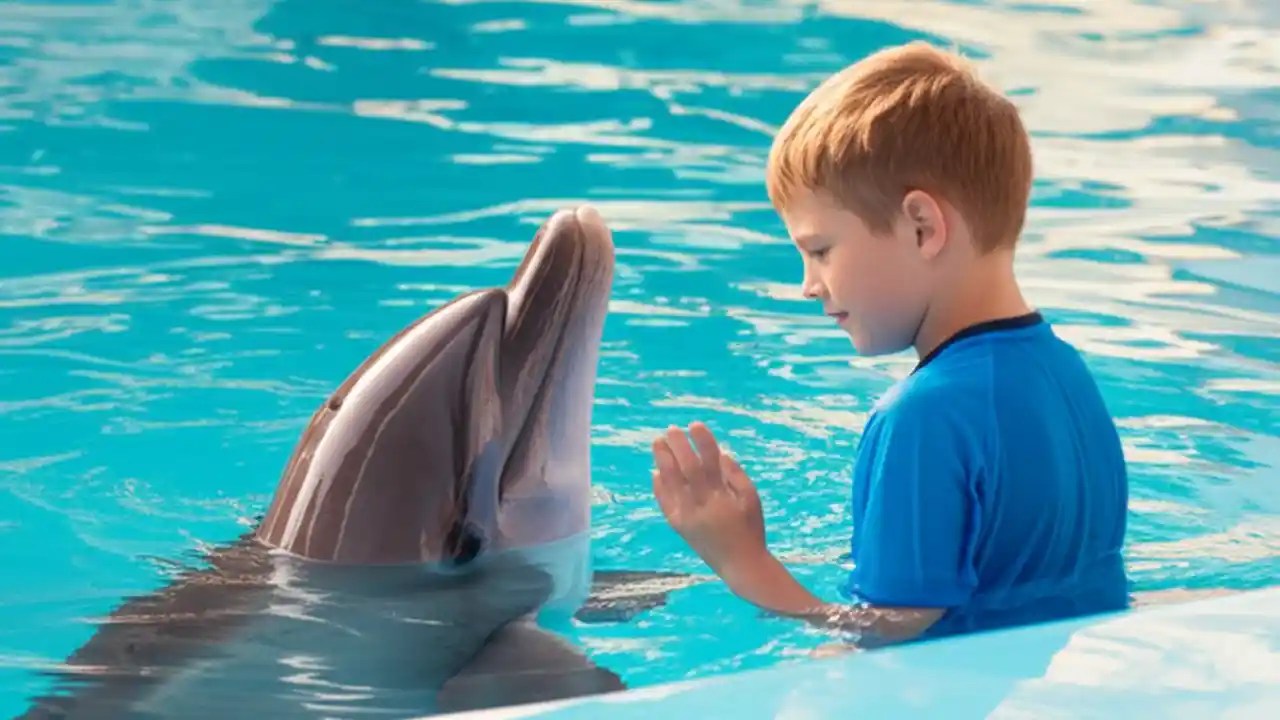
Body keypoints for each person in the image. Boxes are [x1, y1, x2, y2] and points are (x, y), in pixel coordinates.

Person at [650, 41, 1130, 649]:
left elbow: (887, 633)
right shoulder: (1066, 374)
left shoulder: (922, 417)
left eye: (820, 249)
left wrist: (741, 559)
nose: (807, 285)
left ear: (922, 227)